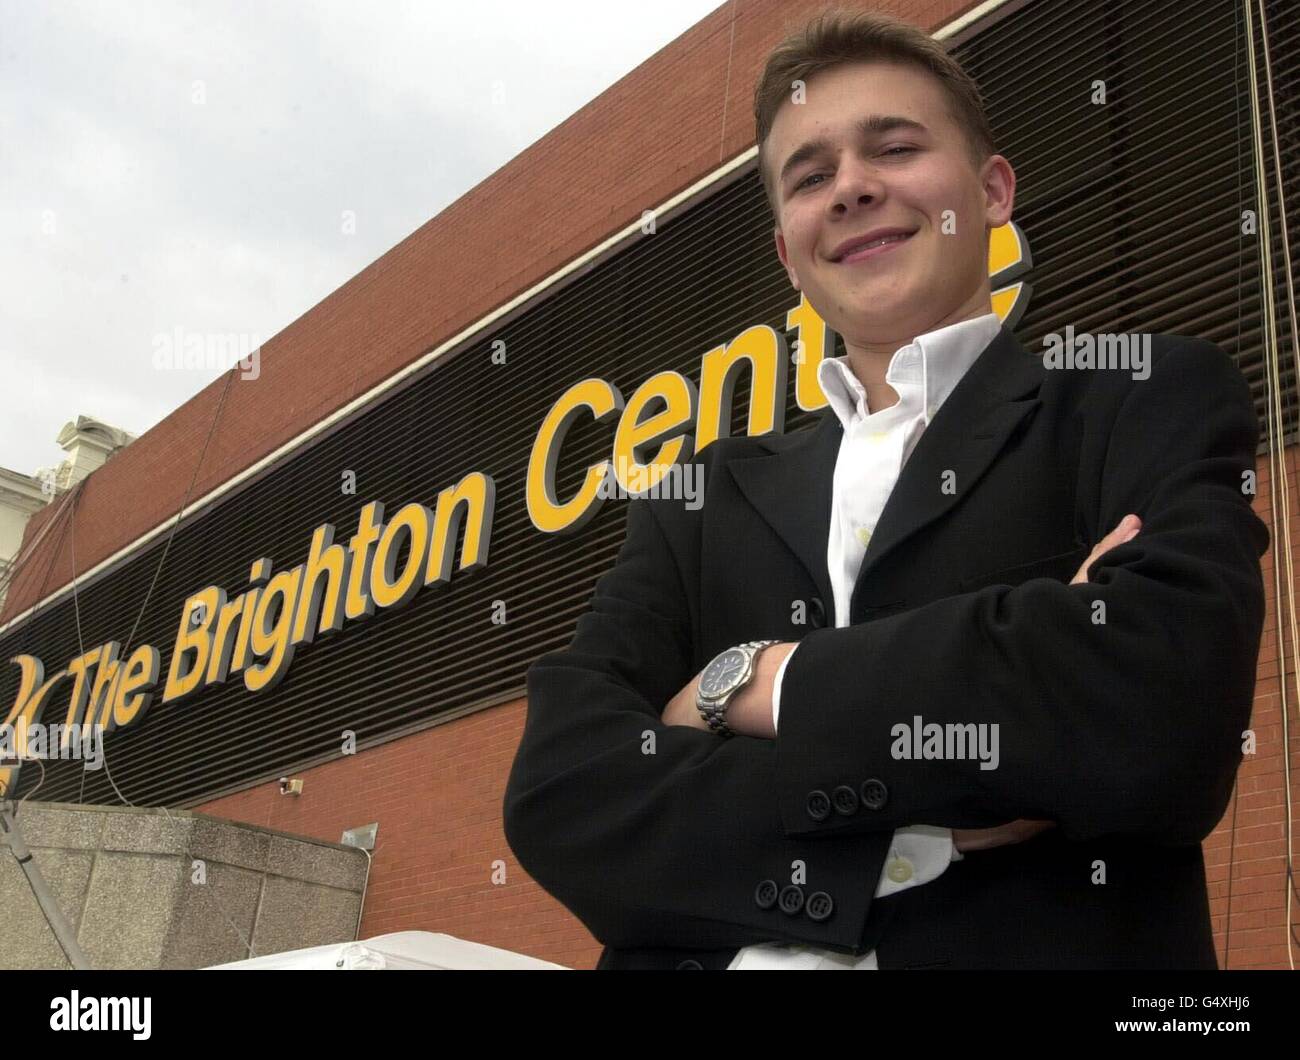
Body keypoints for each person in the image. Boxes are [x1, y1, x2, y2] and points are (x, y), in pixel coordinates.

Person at [503, 8, 1268, 970]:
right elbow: (562, 791)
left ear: (992, 191)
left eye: (894, 149)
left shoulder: (1136, 398)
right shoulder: (701, 494)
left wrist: (748, 682)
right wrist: (916, 827)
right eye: (811, 176)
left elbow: (1162, 706)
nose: (853, 188)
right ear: (787, 251)